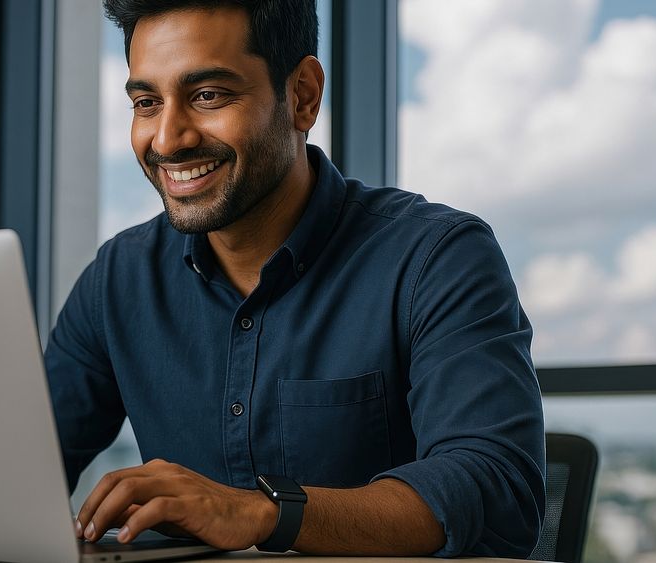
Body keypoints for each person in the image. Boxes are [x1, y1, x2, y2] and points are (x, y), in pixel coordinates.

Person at [45, 0, 545, 557]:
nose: (167, 140)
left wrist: (262, 511)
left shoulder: (436, 257)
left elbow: (495, 489)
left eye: (208, 96)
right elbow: (18, 469)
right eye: (146, 102)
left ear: (302, 95)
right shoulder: (119, 278)